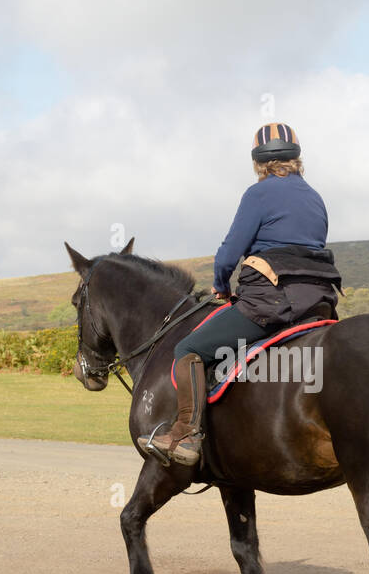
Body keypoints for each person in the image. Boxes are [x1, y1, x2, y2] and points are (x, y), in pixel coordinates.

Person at [138, 123, 342, 466]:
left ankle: (186, 434)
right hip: (319, 303)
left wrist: (221, 284)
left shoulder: (258, 194)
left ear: (258, 162)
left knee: (188, 348)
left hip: (271, 302)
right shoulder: (315, 197)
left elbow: (229, 254)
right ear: (296, 158)